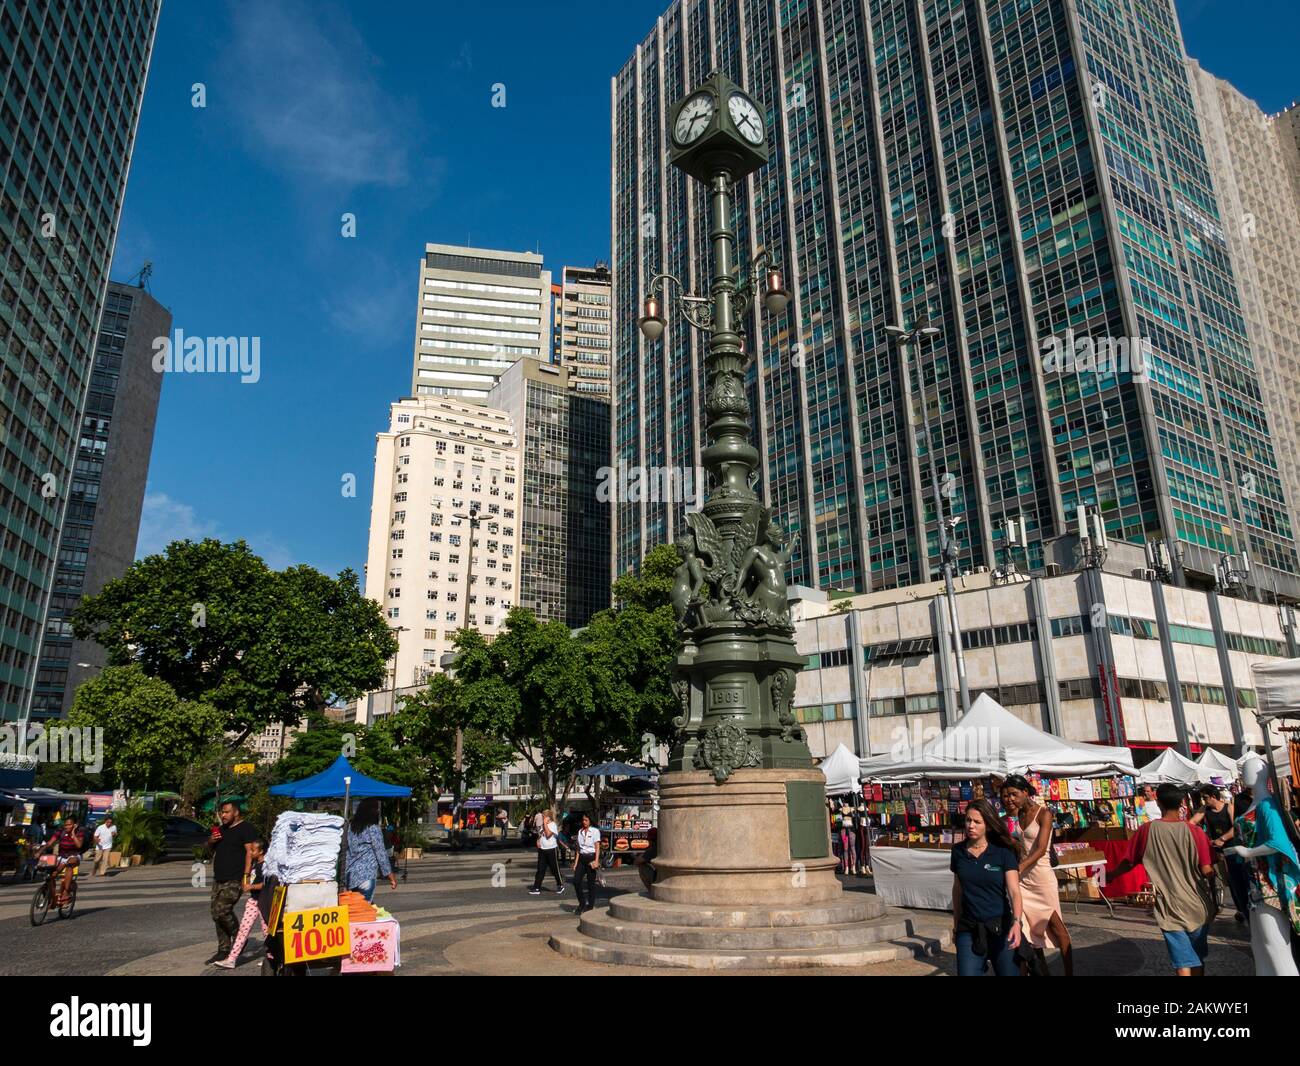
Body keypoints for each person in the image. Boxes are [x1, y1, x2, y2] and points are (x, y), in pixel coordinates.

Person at [1112, 783, 1216, 975]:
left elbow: (1129, 863)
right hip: (1197, 905)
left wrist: (1111, 875)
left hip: (1169, 906)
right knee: (1197, 959)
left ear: (1157, 802)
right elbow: (1207, 869)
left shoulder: (1146, 831)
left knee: (1183, 961)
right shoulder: (1196, 832)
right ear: (1182, 803)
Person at [1000, 775, 1073, 976]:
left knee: (1057, 928)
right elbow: (1022, 846)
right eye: (1006, 796)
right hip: (1023, 880)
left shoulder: (1044, 813)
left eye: (1013, 794)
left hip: (1041, 877)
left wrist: (1019, 868)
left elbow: (1041, 849)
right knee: (1025, 930)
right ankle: (1041, 970)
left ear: (1025, 792)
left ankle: (1069, 972)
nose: (1009, 799)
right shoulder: (1016, 816)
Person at [950, 799, 1024, 976]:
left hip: (1002, 928)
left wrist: (1017, 923)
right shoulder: (958, 851)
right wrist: (956, 926)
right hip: (969, 929)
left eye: (977, 822)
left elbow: (1014, 892)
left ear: (988, 825)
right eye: (968, 820)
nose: (971, 826)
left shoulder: (1003, 853)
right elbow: (957, 890)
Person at [205, 800, 258, 966]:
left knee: (223, 910)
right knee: (215, 914)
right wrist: (211, 841)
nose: (223, 815)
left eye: (227, 812)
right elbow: (206, 850)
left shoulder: (246, 828)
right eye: (222, 812)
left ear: (236, 812)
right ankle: (223, 949)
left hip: (235, 878)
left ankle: (239, 939)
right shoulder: (221, 830)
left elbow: (250, 853)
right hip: (218, 877)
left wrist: (246, 876)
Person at [214, 839, 269, 968]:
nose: (250, 852)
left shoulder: (267, 866)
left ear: (261, 851)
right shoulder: (256, 863)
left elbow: (266, 884)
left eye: (253, 850)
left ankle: (270, 959)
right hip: (253, 902)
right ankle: (232, 959)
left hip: (264, 902)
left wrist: (251, 887)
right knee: (243, 930)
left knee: (267, 932)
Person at [1190, 785, 1242, 921]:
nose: (1203, 800)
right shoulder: (1205, 810)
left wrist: (1222, 838)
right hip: (1215, 849)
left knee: (1234, 879)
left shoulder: (1228, 807)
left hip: (1231, 847)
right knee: (1215, 877)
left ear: (1213, 796)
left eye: (1205, 797)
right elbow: (1192, 822)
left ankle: (1240, 908)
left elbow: (1236, 827)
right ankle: (1214, 905)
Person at [345, 798, 398, 903]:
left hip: (350, 876)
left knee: (353, 911)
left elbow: (347, 849)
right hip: (366, 876)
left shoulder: (351, 827)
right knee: (364, 912)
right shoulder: (373, 828)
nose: (378, 811)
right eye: (376, 809)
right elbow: (380, 852)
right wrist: (390, 875)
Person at [41, 818, 84, 906]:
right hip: (62, 857)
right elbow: (50, 843)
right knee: (52, 875)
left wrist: (73, 834)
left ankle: (66, 892)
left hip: (74, 856)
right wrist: (40, 851)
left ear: (74, 825)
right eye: (66, 825)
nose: (67, 826)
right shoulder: (61, 831)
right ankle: (53, 898)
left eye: (70, 824)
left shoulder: (79, 832)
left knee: (69, 864)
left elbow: (79, 845)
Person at [529, 808, 565, 895]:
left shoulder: (552, 824)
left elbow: (548, 835)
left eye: (543, 816)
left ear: (548, 817)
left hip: (551, 849)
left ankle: (560, 884)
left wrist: (545, 823)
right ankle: (536, 887)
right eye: (542, 816)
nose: (542, 818)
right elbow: (541, 835)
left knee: (554, 868)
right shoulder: (542, 825)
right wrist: (538, 840)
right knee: (540, 869)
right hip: (542, 850)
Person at [572, 813, 601, 912]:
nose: (584, 822)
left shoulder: (595, 831)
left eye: (586, 820)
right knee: (576, 881)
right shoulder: (580, 832)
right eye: (583, 820)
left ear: (590, 821)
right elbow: (578, 849)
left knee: (590, 883)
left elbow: (597, 847)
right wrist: (575, 863)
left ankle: (590, 905)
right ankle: (582, 902)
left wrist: (596, 861)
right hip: (582, 859)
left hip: (591, 857)